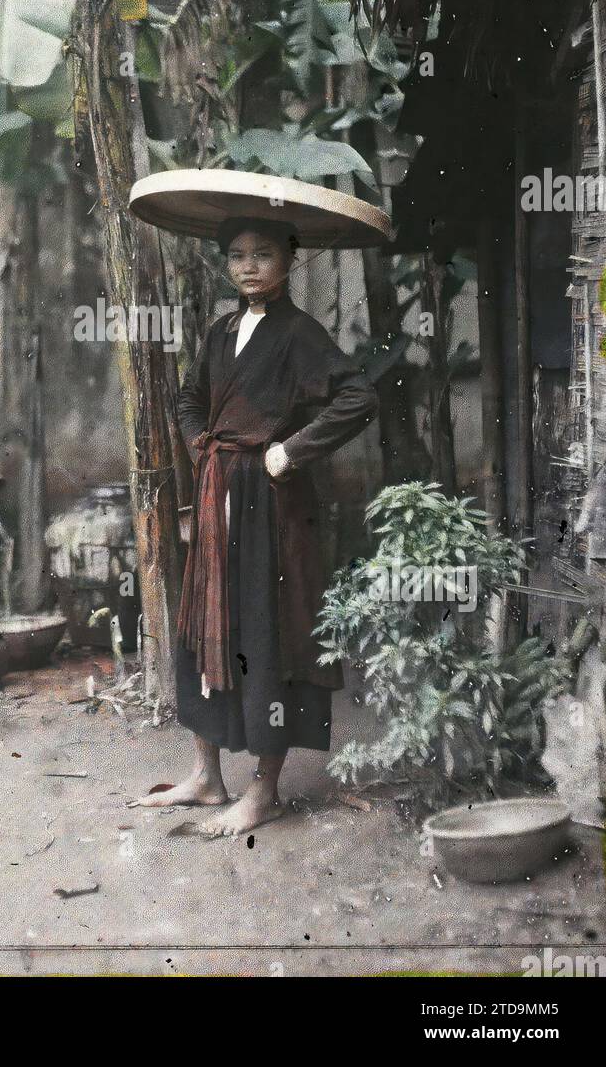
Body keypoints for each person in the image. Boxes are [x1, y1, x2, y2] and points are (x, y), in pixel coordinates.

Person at [137, 216, 378, 836]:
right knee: (206, 623)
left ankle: (264, 790)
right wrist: (201, 448)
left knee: (265, 631)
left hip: (271, 503)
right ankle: (208, 776)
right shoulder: (220, 332)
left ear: (289, 260)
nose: (248, 266)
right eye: (238, 255)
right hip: (218, 492)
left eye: (263, 254)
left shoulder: (300, 335)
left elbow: (358, 397)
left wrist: (289, 452)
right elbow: (188, 397)